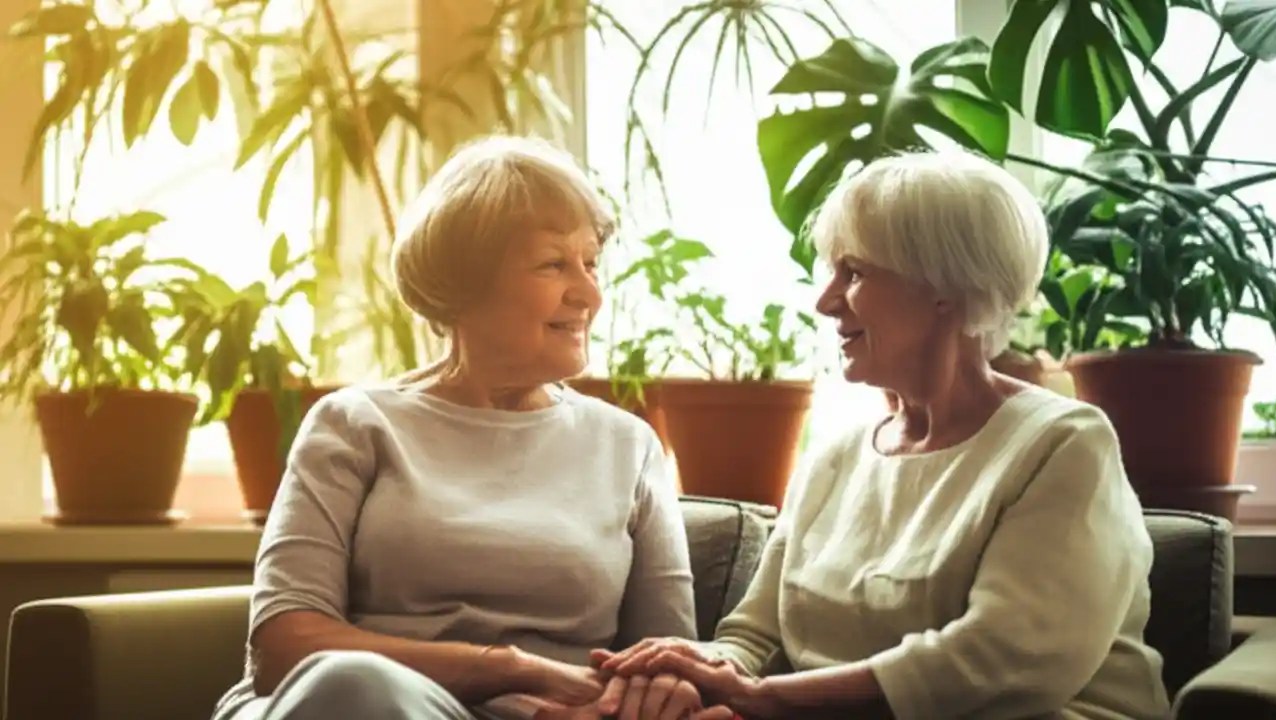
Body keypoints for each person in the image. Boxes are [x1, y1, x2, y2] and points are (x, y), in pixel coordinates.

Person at [594, 151, 1172, 720]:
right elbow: (752, 638)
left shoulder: (1063, 443)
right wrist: (687, 673)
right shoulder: (837, 456)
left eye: (855, 273)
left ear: (944, 285)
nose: (825, 302)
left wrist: (766, 701)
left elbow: (1001, 661)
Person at [211, 136, 705, 720]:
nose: (590, 294)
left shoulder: (628, 447)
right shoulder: (355, 424)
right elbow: (284, 647)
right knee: (356, 686)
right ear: (464, 283)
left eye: (590, 262)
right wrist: (506, 668)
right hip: (345, 705)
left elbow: (669, 664)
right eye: (553, 263)